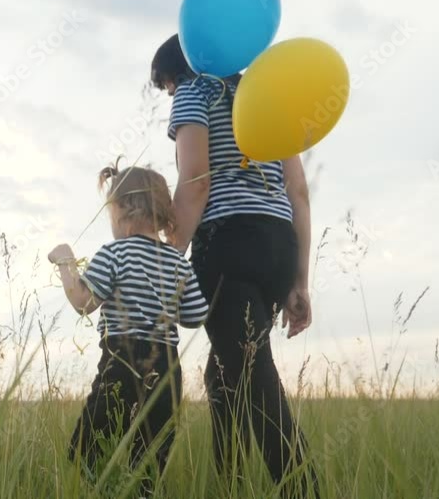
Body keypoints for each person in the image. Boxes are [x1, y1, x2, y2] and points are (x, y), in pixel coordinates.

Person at [150, 33, 319, 497]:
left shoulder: (194, 91)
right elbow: (298, 193)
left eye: (165, 86)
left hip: (227, 242)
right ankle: (229, 485)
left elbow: (196, 182)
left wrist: (166, 265)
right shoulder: (265, 92)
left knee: (255, 379)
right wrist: (299, 280)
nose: (169, 94)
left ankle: (305, 489)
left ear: (176, 70)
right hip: (277, 245)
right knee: (224, 374)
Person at [49, 161, 209, 496]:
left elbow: (83, 302)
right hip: (166, 369)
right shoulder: (178, 263)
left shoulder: (115, 254)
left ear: (123, 209)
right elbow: (195, 316)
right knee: (149, 464)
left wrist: (66, 262)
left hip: (120, 364)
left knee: (85, 452)